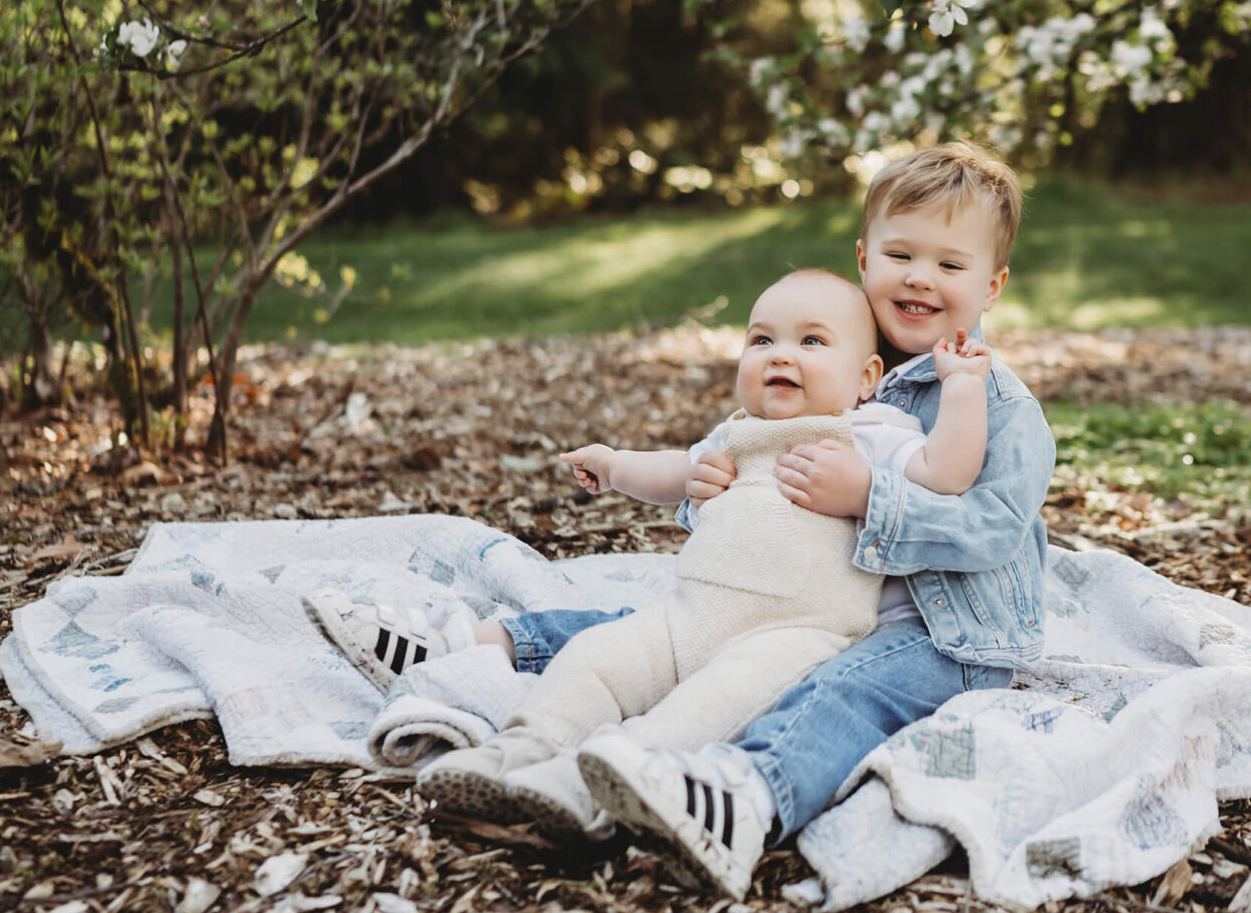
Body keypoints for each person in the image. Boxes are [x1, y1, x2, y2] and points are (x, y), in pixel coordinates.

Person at [309, 267, 993, 840]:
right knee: (595, 660)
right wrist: (615, 466)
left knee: (695, 713)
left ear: (867, 374)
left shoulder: (871, 432)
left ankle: (579, 788)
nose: (780, 354)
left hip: (792, 638)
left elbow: (947, 471)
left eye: (812, 341)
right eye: (762, 340)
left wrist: (961, 386)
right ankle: (514, 752)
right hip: (686, 616)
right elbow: (673, 471)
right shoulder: (736, 433)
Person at [574, 142, 1053, 898]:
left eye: (950, 265)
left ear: (991, 285)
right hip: (812, 601)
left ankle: (743, 796)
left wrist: (872, 496)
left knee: (840, 691)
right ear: (865, 258)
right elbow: (759, 460)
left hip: (941, 630)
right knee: (674, 628)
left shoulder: (998, 402)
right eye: (900, 252)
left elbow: (992, 526)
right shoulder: (834, 349)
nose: (920, 276)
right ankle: (512, 650)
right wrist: (710, 484)